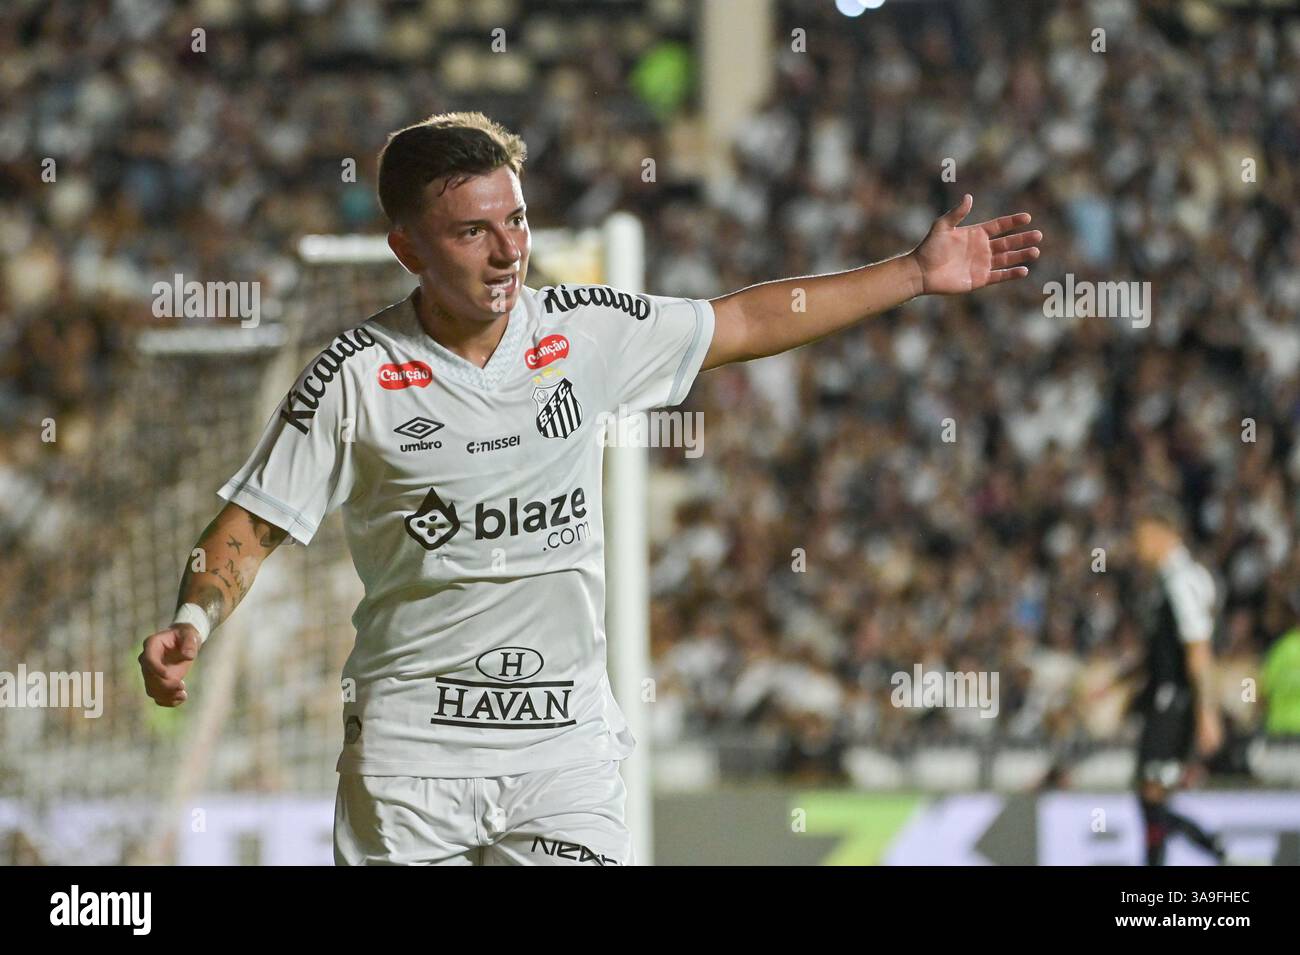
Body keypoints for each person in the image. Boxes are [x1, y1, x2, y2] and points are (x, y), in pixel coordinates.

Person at [138, 111, 1041, 865]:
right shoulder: (355, 375)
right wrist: (195, 619)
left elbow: (745, 318)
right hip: (413, 759)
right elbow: (249, 528)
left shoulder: (583, 331)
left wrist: (914, 274)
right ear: (406, 247)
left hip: (564, 749)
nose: (508, 252)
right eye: (472, 232)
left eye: (518, 221)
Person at [1128, 501, 1227, 865]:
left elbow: (1198, 649)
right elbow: (1162, 651)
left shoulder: (1183, 580)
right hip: (1163, 699)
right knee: (1150, 793)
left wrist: (1207, 712)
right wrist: (1119, 681)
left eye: (1140, 537)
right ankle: (1205, 850)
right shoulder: (1166, 582)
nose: (1136, 546)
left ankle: (1214, 848)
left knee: (1153, 791)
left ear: (1163, 533)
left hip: (1177, 702)